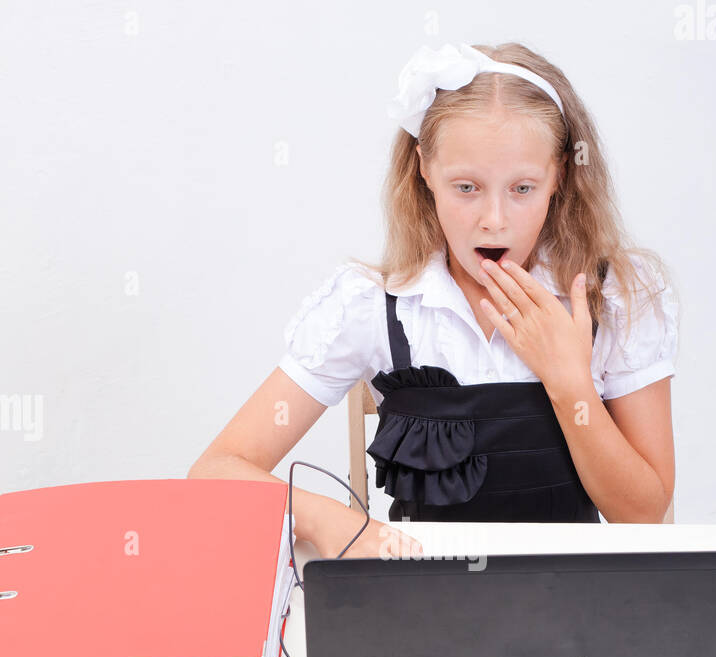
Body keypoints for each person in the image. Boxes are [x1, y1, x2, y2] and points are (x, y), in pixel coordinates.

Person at [189, 41, 677, 553]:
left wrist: (568, 382)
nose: (494, 219)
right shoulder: (373, 306)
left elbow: (643, 514)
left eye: (523, 188)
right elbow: (216, 471)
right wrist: (333, 522)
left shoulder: (615, 294)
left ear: (559, 172)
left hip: (572, 606)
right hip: (422, 605)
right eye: (466, 187)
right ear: (424, 169)